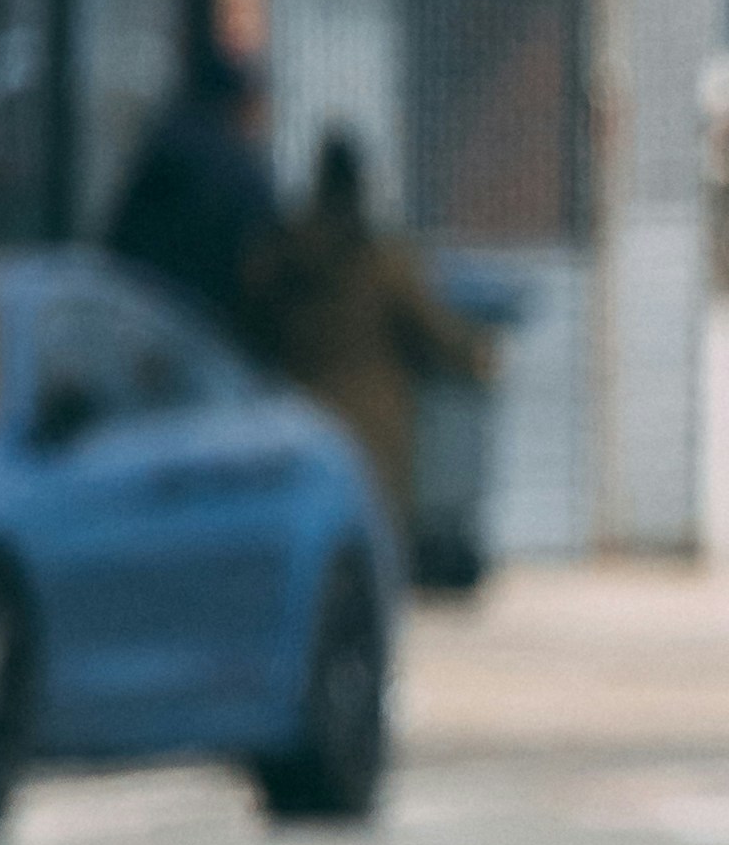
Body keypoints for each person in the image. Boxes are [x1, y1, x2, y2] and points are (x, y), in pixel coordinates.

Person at [239, 129, 493, 535]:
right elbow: (432, 330)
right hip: (374, 434)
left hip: (300, 422)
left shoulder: (280, 257)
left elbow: (250, 325)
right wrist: (479, 354)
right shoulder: (380, 260)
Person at [101, 46, 278, 338]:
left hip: (143, 313)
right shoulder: (238, 167)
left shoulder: (166, 145)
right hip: (209, 327)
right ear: (236, 102)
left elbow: (122, 238)